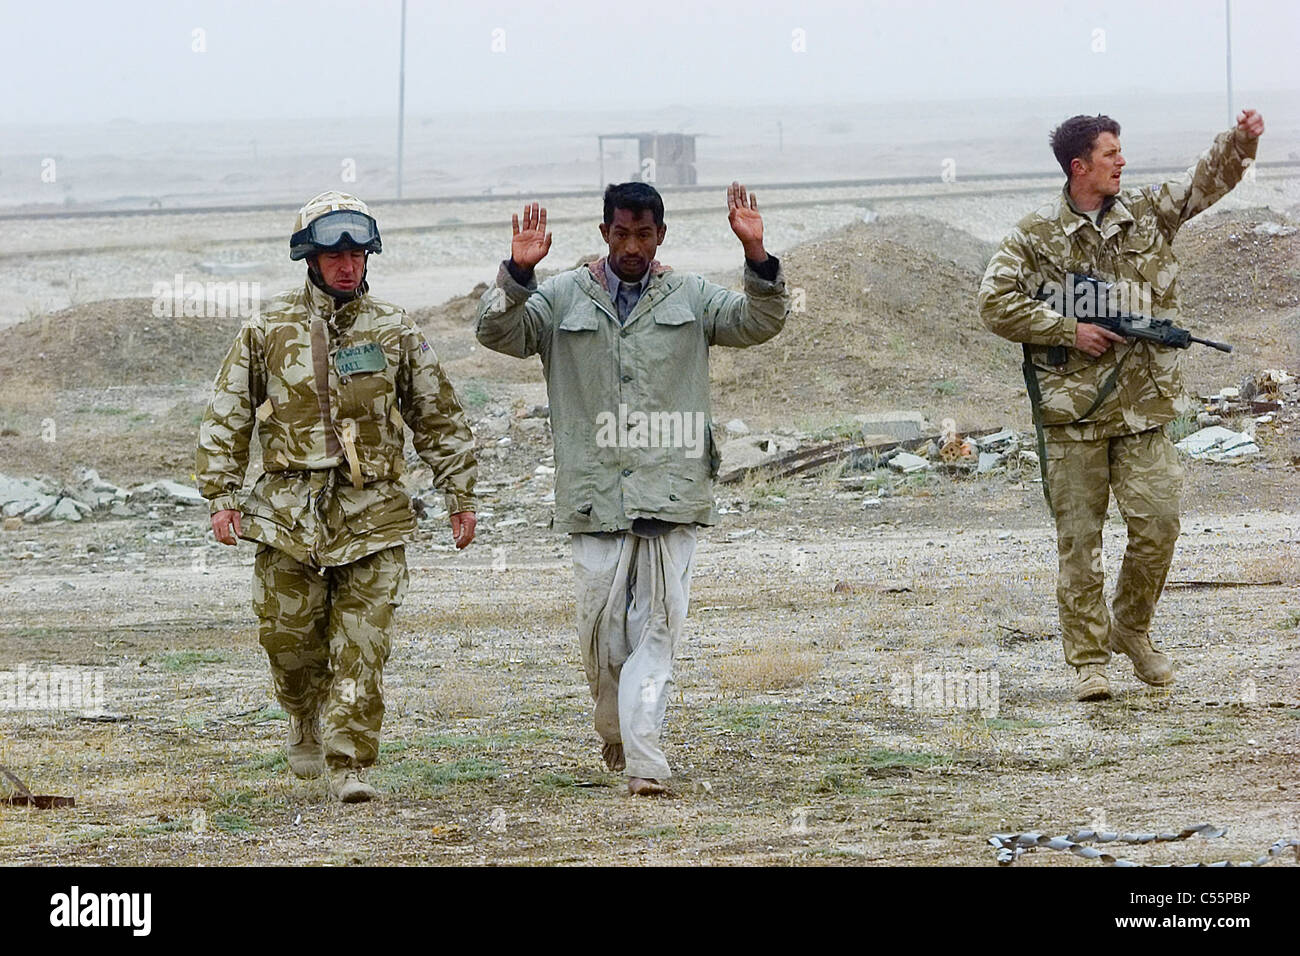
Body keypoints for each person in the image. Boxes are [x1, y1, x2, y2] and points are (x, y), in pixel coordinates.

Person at [476, 181, 788, 794]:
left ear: (661, 236)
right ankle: (616, 726)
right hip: (594, 495)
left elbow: (759, 321)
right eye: (621, 233)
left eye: (644, 235)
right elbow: (497, 334)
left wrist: (756, 254)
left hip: (670, 494)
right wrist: (517, 271)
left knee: (659, 629)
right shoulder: (562, 297)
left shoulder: (692, 296)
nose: (632, 246)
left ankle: (646, 759)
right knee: (603, 636)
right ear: (604, 233)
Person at [196, 190, 478, 802]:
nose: (346, 266)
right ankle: (302, 715)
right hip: (286, 513)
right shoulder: (266, 329)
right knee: (289, 642)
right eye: (334, 256)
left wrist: (460, 491)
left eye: (356, 253)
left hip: (373, 511)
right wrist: (221, 493)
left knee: (362, 643)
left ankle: (349, 763)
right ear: (310, 260)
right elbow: (228, 413)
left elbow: (437, 415)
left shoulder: (396, 329)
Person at [979, 110, 1264, 701]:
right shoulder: (1036, 237)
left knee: (1158, 525)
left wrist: (1240, 142)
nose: (1122, 162)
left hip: (1141, 410)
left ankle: (1131, 629)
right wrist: (1066, 328)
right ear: (1080, 166)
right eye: (1111, 154)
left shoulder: (1147, 215)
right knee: (1080, 545)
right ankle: (1089, 662)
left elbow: (1203, 182)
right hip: (1072, 419)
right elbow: (994, 304)